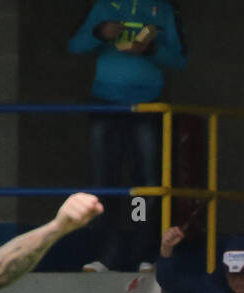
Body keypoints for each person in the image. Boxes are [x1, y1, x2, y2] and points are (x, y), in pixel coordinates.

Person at [67, 2, 187, 272]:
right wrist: (100, 33)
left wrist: (152, 48)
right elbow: (74, 45)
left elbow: (180, 58)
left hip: (148, 104)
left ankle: (145, 255)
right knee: (104, 181)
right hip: (105, 103)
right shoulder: (102, 6)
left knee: (147, 185)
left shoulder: (162, 8)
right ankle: (105, 256)